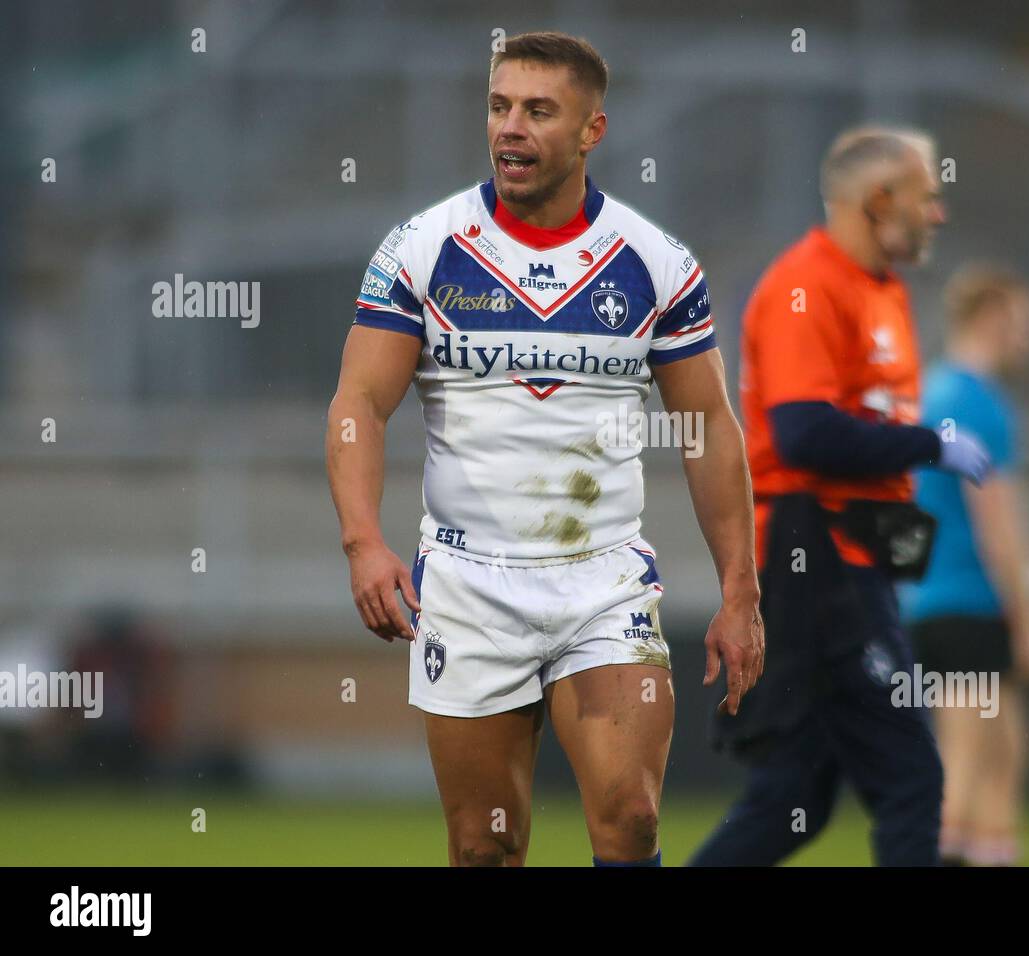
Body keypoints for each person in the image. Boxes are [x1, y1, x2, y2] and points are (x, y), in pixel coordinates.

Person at [325, 31, 763, 867]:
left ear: (594, 129)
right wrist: (363, 541)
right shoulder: (423, 249)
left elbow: (709, 429)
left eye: (537, 110)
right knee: (485, 848)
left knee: (631, 819)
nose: (510, 129)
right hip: (465, 580)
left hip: (603, 580)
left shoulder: (655, 263)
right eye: (498, 107)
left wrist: (739, 592)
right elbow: (358, 405)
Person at [689, 127, 989, 867]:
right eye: (928, 197)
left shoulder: (878, 288)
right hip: (815, 559)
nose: (937, 214)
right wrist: (930, 444)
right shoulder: (808, 285)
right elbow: (802, 431)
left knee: (795, 797)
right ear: (880, 200)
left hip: (852, 554)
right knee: (910, 778)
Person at [901, 264, 1029, 866]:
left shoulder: (930, 392)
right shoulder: (981, 405)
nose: (1028, 340)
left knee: (1005, 749)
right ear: (991, 319)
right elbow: (1000, 527)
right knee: (967, 762)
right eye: (1021, 325)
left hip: (930, 601)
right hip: (969, 604)